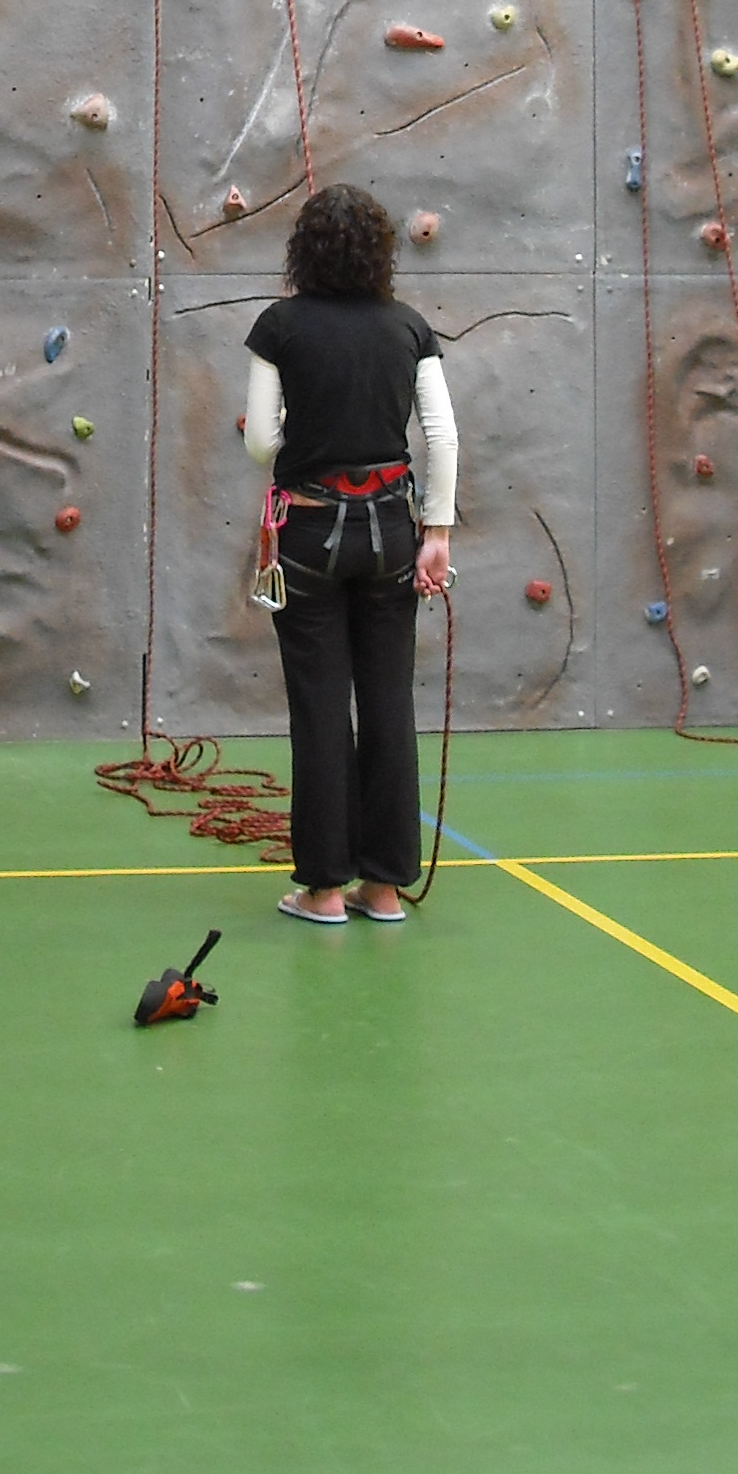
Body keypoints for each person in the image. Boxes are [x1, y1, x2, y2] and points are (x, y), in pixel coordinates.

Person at [241, 181, 457, 925]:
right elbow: (443, 438)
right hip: (393, 534)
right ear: (381, 253)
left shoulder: (279, 327)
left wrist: (307, 422)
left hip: (307, 532)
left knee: (321, 708)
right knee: (390, 702)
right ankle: (386, 886)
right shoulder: (409, 327)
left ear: (305, 249)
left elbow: (261, 444)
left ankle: (324, 889)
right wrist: (438, 533)